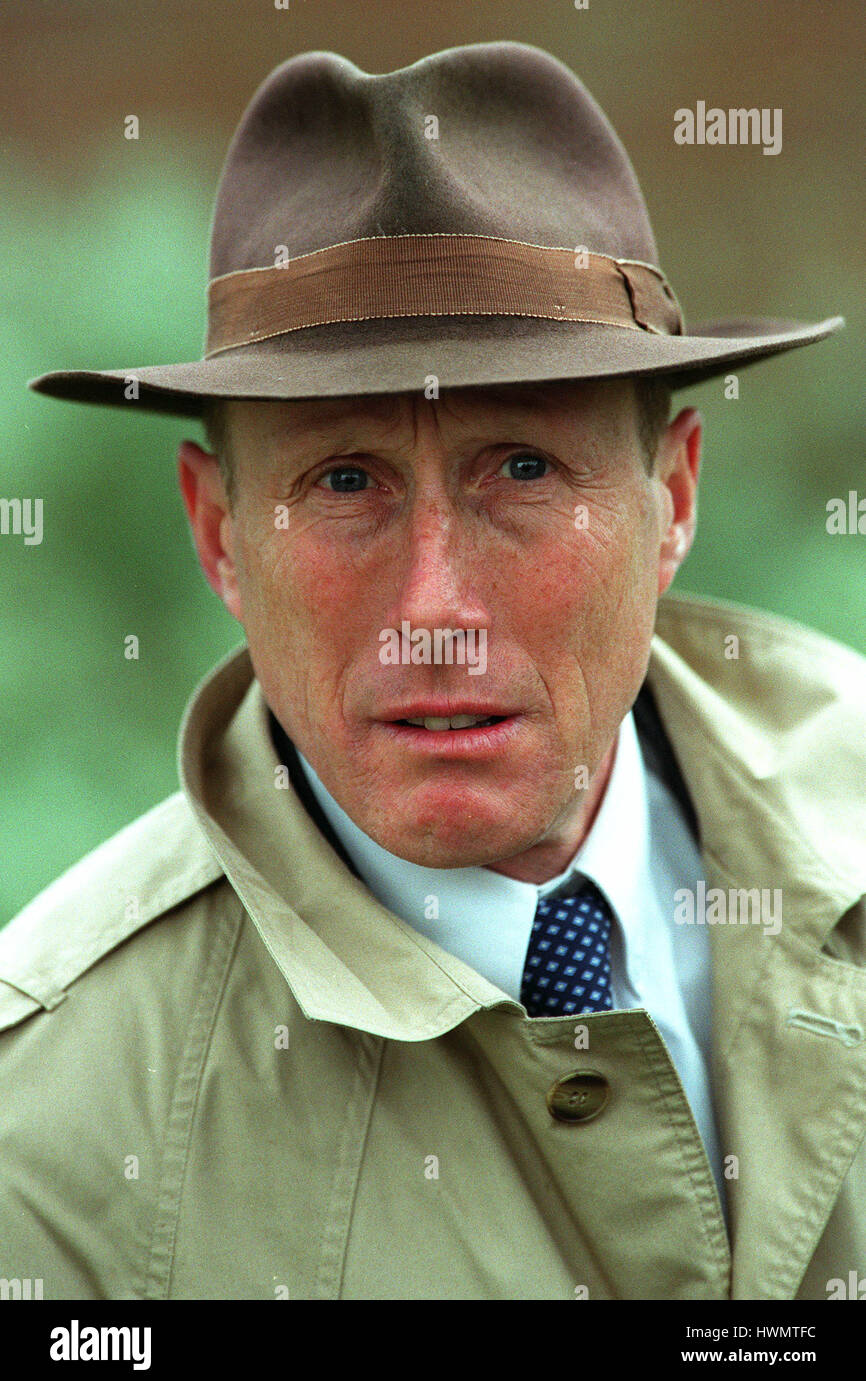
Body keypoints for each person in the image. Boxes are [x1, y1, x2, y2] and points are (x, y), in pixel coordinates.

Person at [1, 41, 861, 1302]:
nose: (433, 613)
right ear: (218, 533)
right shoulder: (52, 1137)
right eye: (343, 483)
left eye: (520, 468)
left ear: (669, 496)